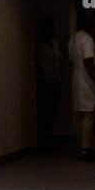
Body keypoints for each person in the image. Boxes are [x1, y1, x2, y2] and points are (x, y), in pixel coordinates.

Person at [68, 12, 95, 160]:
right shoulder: (87, 39)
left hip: (77, 79)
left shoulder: (73, 39)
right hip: (87, 81)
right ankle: (85, 149)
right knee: (89, 115)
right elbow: (88, 61)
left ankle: (81, 146)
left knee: (80, 115)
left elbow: (71, 62)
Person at [35, 19, 62, 149]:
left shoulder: (55, 43)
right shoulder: (39, 44)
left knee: (52, 110)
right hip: (43, 81)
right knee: (44, 111)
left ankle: (50, 135)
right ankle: (43, 138)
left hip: (55, 80)